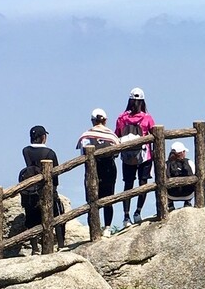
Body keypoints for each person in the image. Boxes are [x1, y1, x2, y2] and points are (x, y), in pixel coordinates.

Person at [19, 125, 65, 250]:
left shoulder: (25, 150)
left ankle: (34, 248)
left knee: (32, 218)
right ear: (43, 137)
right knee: (58, 215)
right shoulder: (50, 153)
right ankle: (61, 245)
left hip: (31, 189)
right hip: (46, 189)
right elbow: (55, 172)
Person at [114, 87, 156, 225]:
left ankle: (126, 216)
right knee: (143, 183)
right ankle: (138, 212)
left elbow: (117, 135)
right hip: (145, 156)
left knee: (128, 184)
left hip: (127, 156)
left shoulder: (122, 118)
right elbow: (155, 135)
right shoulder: (147, 118)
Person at [77, 108, 121, 230]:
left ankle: (94, 229)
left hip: (93, 169)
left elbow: (83, 154)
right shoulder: (112, 135)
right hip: (109, 168)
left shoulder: (86, 135)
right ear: (105, 120)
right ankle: (107, 227)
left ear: (92, 121)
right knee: (108, 198)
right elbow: (117, 152)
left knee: (92, 200)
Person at [166, 142, 195, 210]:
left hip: (171, 195)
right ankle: (187, 202)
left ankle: (170, 204)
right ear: (182, 152)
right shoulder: (189, 162)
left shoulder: (166, 164)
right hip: (188, 194)